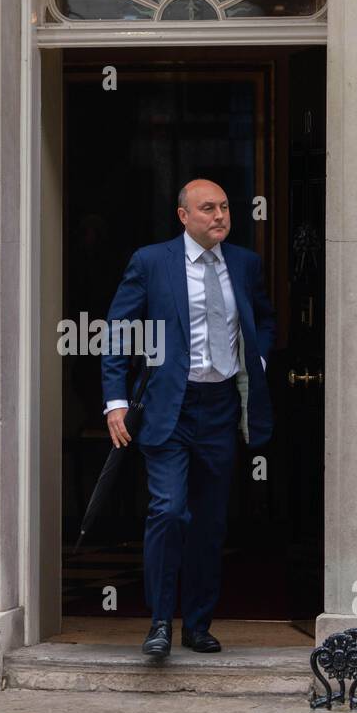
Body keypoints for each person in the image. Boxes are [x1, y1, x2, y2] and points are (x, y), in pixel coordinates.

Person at [102, 179, 276, 659]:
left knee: (210, 525)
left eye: (224, 206)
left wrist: (255, 363)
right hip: (169, 408)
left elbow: (263, 319)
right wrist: (115, 400)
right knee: (170, 510)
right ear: (183, 216)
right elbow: (118, 329)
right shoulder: (152, 262)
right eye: (207, 208)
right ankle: (159, 623)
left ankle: (197, 626)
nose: (219, 215)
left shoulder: (243, 263)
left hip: (220, 407)